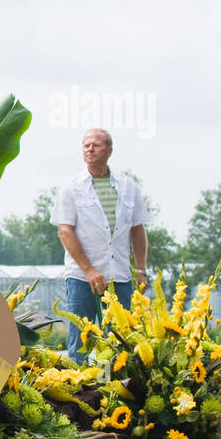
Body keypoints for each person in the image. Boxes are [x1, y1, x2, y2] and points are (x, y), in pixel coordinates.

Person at [50, 127, 149, 363]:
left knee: (121, 345)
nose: (90, 149)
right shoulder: (70, 187)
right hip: (81, 279)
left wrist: (142, 270)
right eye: (86, 145)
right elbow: (65, 231)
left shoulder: (128, 187)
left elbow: (137, 228)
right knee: (80, 345)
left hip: (120, 279)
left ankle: (115, 396)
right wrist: (89, 270)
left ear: (109, 150)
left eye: (96, 145)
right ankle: (77, 396)